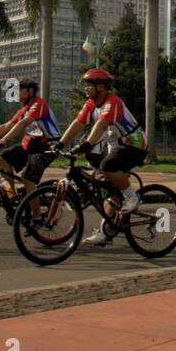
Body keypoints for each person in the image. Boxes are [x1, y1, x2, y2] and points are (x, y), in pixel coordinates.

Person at [56, 68, 146, 246]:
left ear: (101, 87)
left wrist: (88, 143)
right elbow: (78, 123)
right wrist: (60, 143)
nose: (85, 89)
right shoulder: (91, 104)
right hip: (116, 146)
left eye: (89, 85)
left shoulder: (112, 102)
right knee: (107, 188)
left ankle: (133, 197)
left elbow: (102, 124)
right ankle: (106, 230)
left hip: (134, 145)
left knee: (107, 166)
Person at [0, 79, 60, 202]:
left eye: (20, 90)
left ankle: (36, 218)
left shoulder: (39, 104)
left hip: (49, 145)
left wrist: (2, 141)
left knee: (27, 178)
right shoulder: (23, 110)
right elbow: (6, 126)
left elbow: (23, 123)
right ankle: (11, 197)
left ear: (31, 91)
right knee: (4, 158)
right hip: (33, 144)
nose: (17, 93)